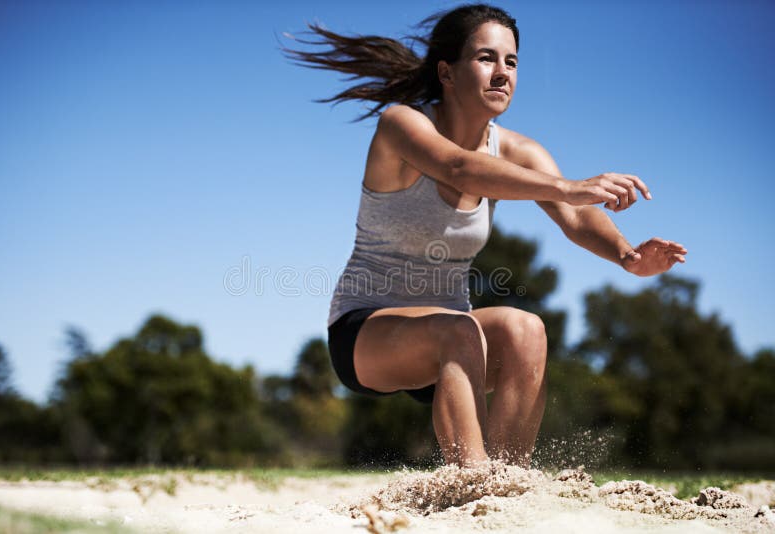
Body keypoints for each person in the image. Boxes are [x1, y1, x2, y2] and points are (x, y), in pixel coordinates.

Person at [286, 4, 687, 468]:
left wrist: (628, 255)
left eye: (511, 62)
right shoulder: (402, 124)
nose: (502, 73)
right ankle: (472, 483)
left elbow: (576, 219)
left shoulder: (519, 150)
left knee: (525, 329)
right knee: (458, 330)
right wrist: (568, 185)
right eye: (486, 58)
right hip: (367, 332)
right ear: (447, 72)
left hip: (457, 340)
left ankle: (505, 487)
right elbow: (459, 167)